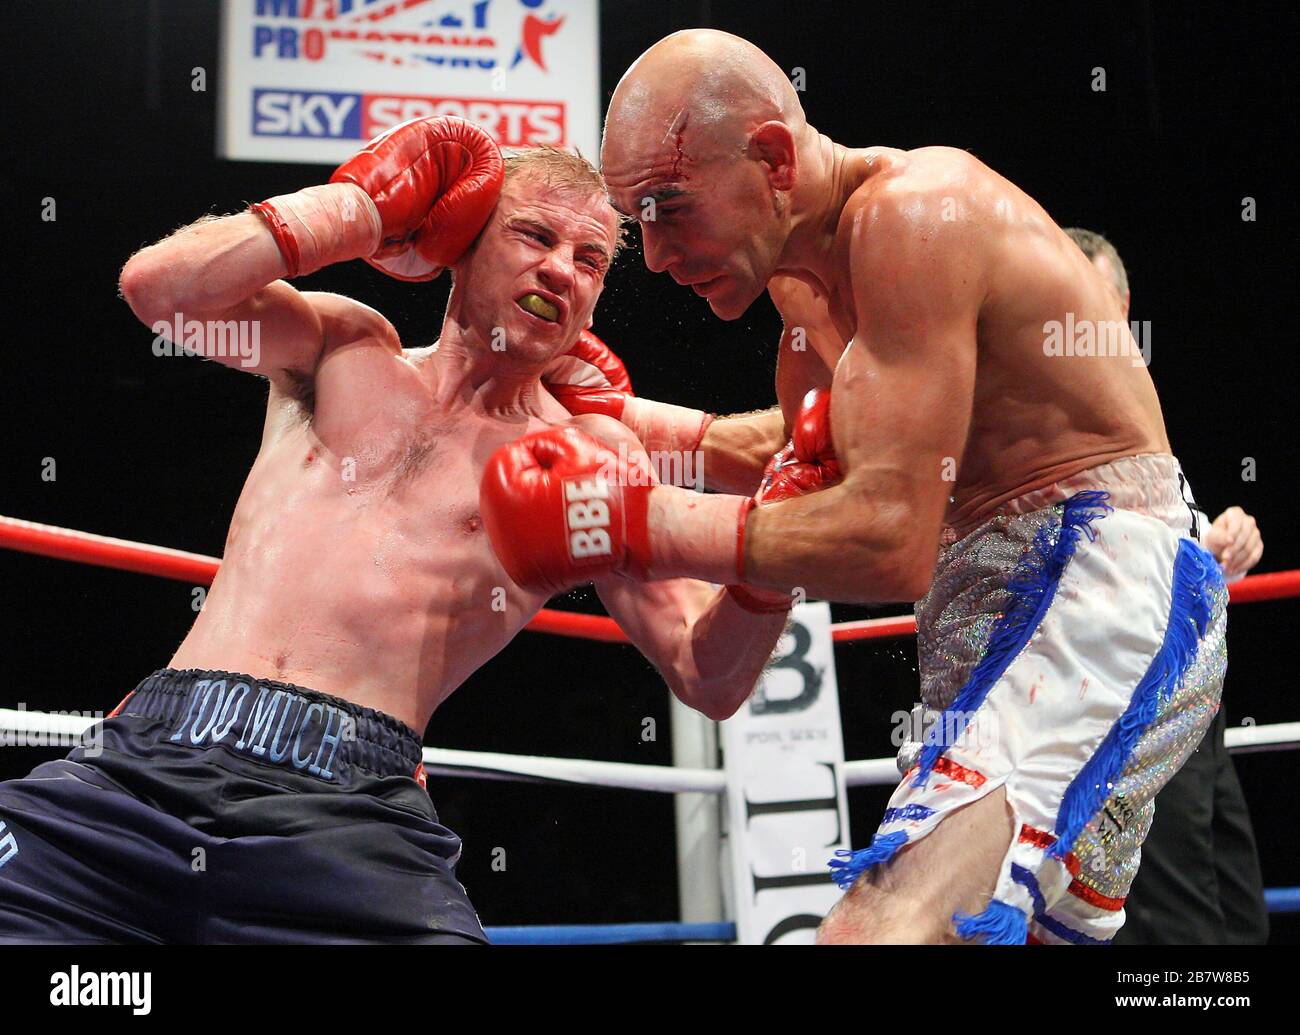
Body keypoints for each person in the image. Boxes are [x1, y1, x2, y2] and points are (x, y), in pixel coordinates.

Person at [479, 30, 1227, 944]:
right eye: (643, 221)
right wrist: (637, 427)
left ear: (775, 156)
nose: (662, 254)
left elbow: (887, 534)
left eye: (671, 207)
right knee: (998, 933)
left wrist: (627, 518)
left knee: (881, 923)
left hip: (1096, 571)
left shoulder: (916, 216)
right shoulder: (803, 289)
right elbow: (816, 458)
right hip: (990, 598)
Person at [0, 118, 791, 944]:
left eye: (589, 262)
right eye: (534, 235)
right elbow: (160, 292)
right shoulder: (342, 346)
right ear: (461, 238)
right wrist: (354, 211)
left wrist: (772, 553)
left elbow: (708, 672)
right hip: (142, 771)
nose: (562, 270)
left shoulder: (587, 457)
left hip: (348, 813)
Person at [1065, 227, 1268, 944]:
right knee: (1179, 926)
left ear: (1122, 307)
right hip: (1127, 698)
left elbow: (1167, 524)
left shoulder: (1132, 405)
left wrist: (1224, 538)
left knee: (1242, 912)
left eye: (1093, 303)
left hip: (1196, 704)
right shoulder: (1043, 412)